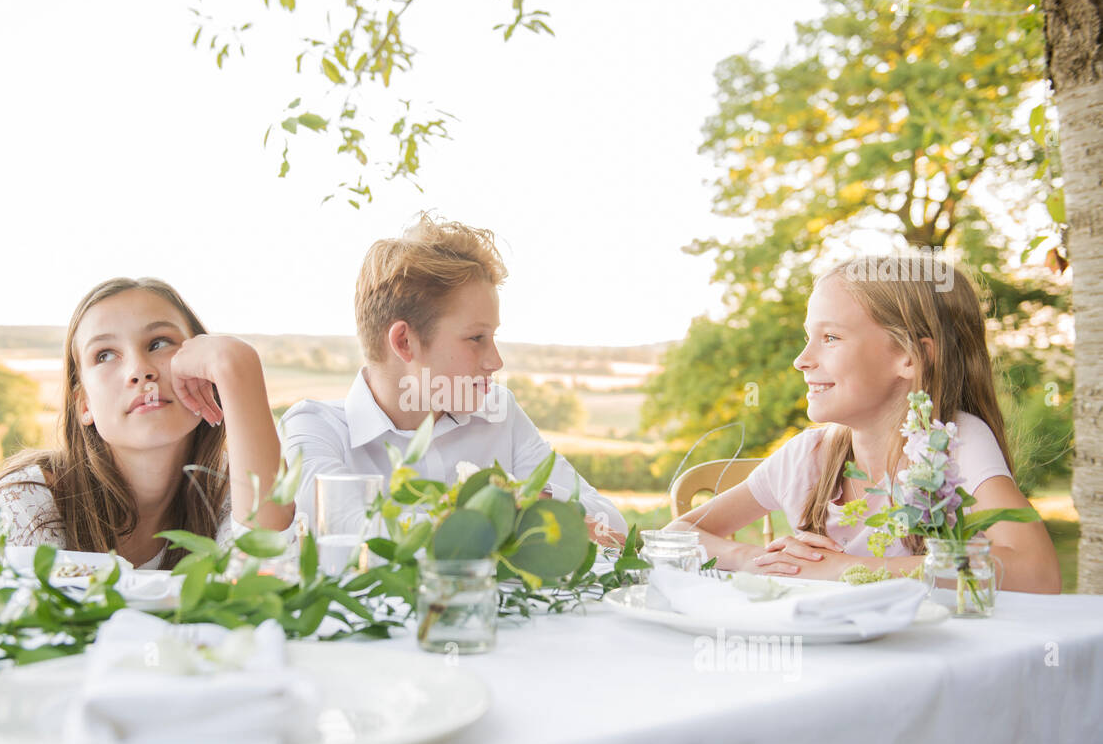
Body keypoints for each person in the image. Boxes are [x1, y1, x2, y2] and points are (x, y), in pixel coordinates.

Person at [669, 254, 1060, 593]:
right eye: (808, 337)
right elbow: (676, 535)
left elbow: (1037, 573)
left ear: (910, 357)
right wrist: (751, 559)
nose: (802, 359)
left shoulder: (954, 441)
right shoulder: (808, 457)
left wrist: (847, 570)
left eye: (831, 337)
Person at [280, 213, 627, 546]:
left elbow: (608, 522)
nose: (496, 361)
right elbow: (348, 530)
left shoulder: (499, 414)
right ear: (404, 342)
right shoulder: (315, 428)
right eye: (476, 339)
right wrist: (519, 515)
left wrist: (506, 516)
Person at [0, 277, 293, 569]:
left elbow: (265, 575)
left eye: (159, 343)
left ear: (203, 369)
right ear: (84, 404)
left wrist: (238, 367)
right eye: (105, 355)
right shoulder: (29, 504)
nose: (140, 370)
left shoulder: (231, 493)